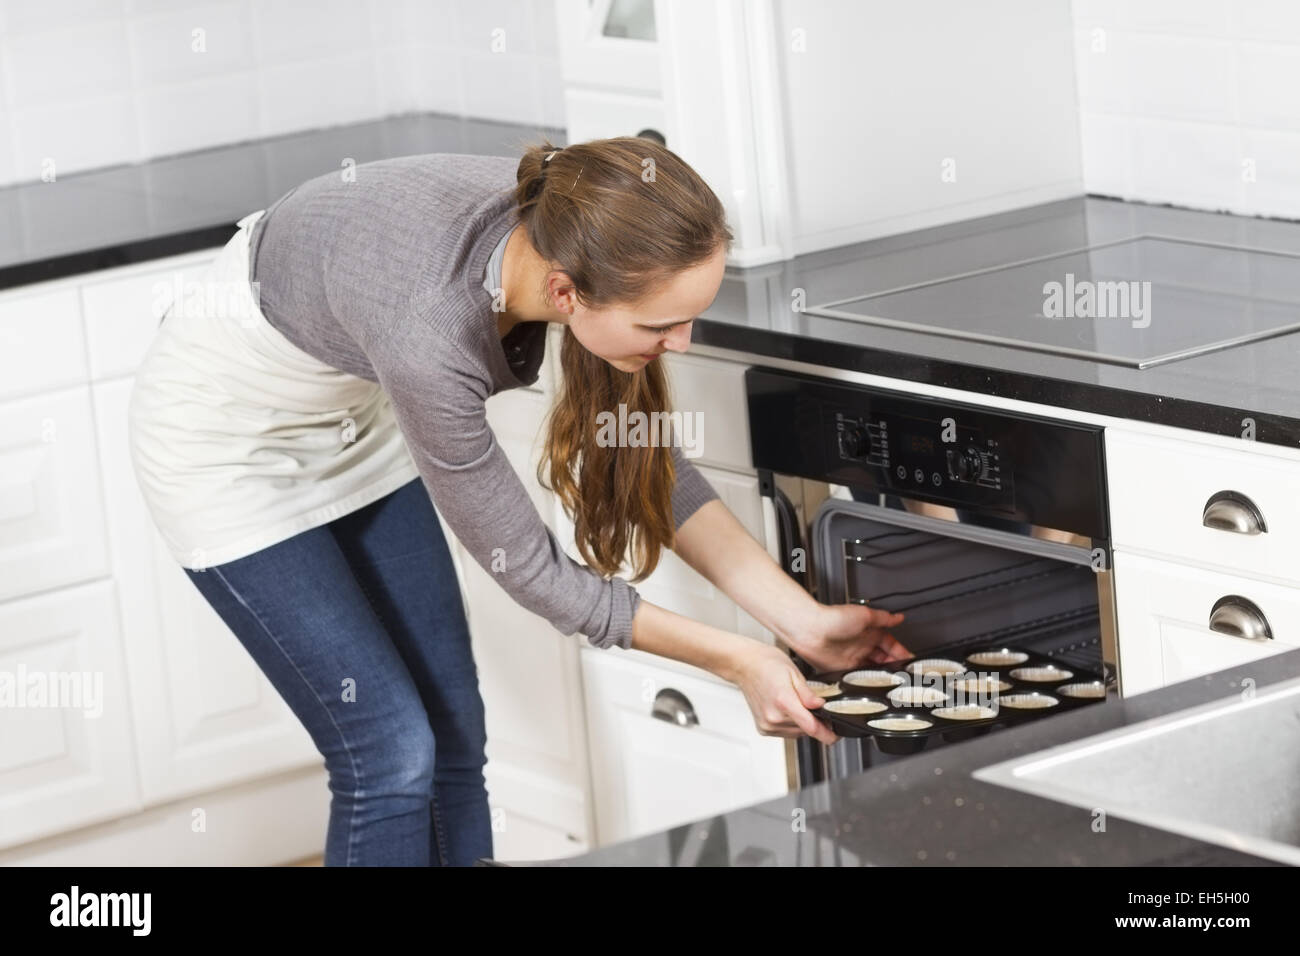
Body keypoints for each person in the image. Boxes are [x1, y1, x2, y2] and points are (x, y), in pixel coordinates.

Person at [126, 136, 907, 867]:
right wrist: (741, 658)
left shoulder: (575, 220)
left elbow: (640, 455)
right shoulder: (429, 331)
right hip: (223, 443)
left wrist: (801, 623)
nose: (684, 342)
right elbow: (533, 571)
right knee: (391, 750)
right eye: (663, 325)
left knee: (455, 730)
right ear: (566, 293)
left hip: (352, 413)